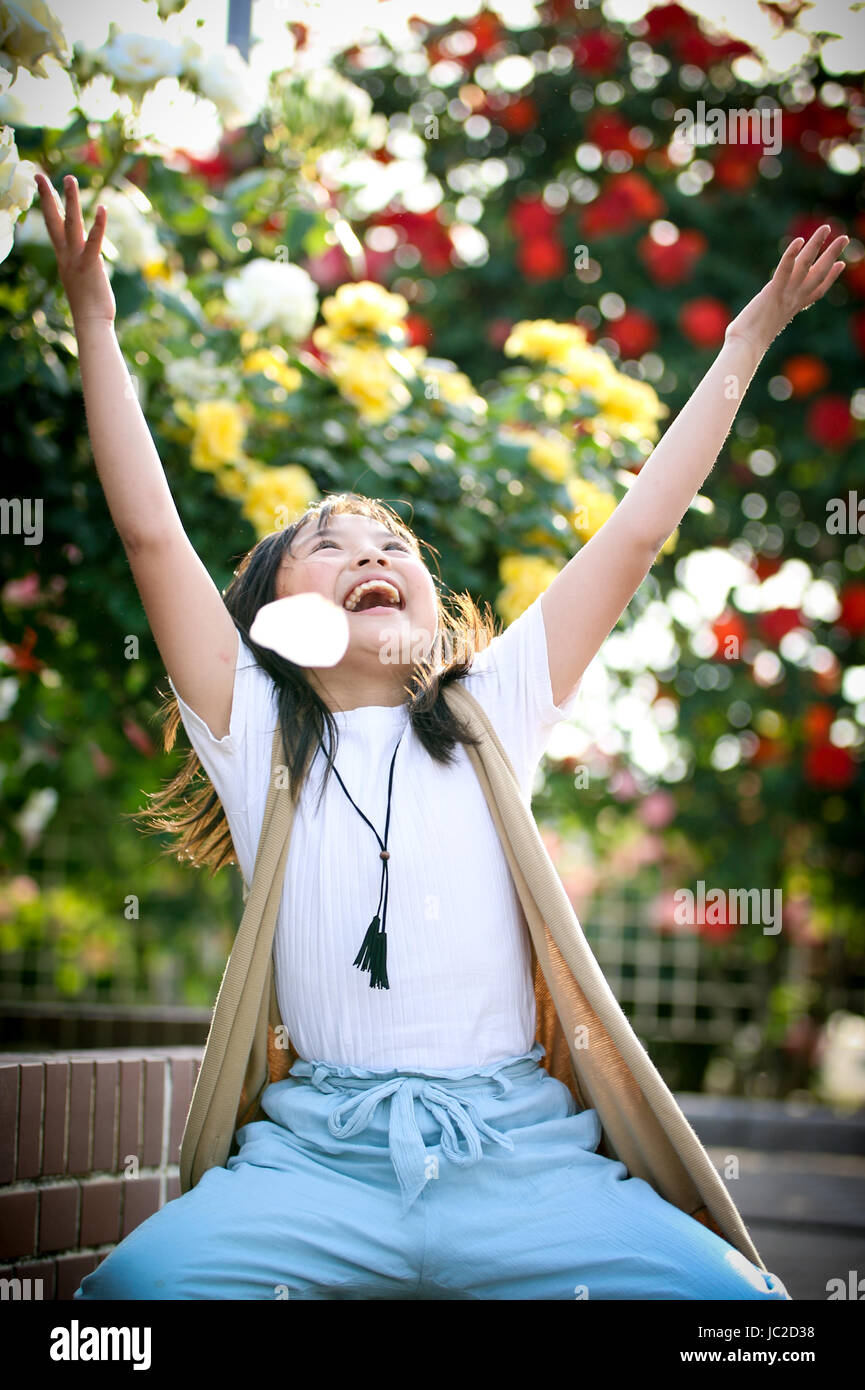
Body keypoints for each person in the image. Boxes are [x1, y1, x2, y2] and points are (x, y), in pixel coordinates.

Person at [35, 171, 845, 1300]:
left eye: (393, 544)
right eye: (329, 544)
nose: (372, 553)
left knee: (741, 1316)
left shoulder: (492, 711)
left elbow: (643, 524)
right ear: (278, 620)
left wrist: (753, 332)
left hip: (520, 1157)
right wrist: (94, 322)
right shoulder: (259, 729)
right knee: (120, 1309)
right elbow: (150, 536)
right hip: (316, 1162)